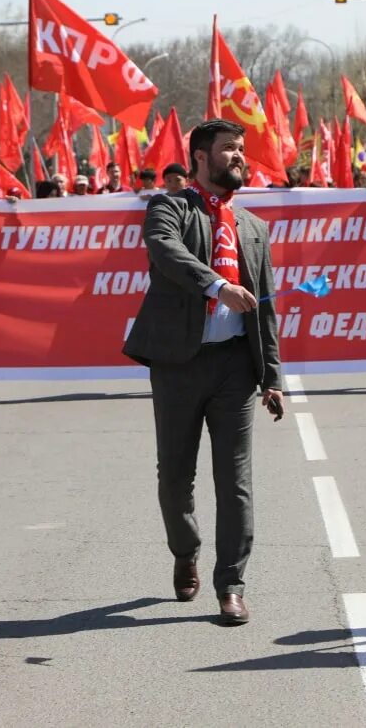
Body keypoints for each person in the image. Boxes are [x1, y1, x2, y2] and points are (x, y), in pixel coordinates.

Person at [123, 119, 283, 626]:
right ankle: (185, 549)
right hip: (178, 363)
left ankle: (231, 585)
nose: (238, 156)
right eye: (228, 148)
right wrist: (217, 286)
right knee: (175, 477)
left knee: (235, 480)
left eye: (241, 149)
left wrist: (272, 377)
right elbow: (166, 252)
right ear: (199, 157)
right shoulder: (169, 208)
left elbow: (265, 307)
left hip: (235, 367)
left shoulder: (253, 227)